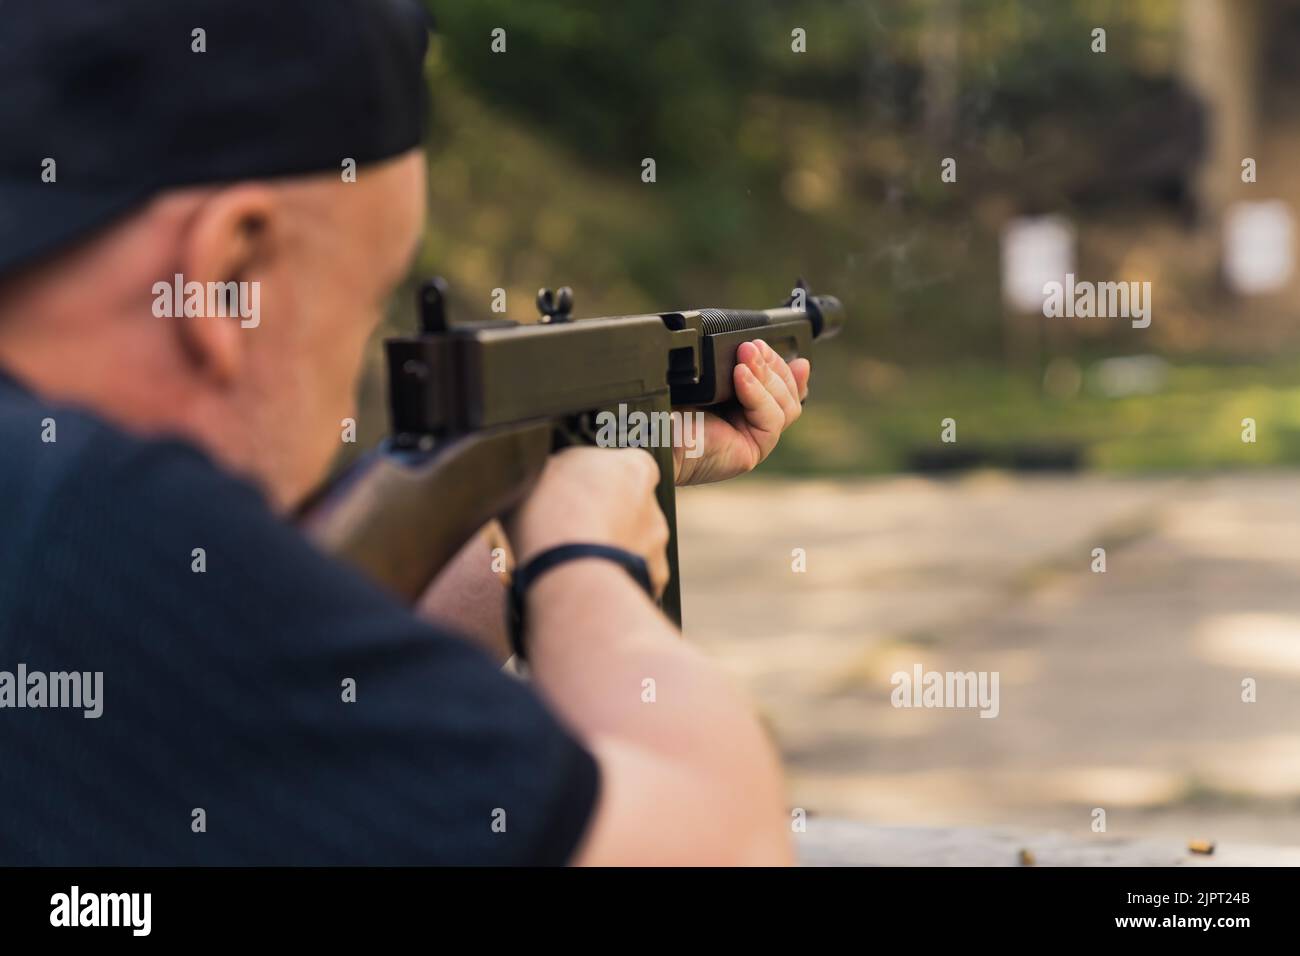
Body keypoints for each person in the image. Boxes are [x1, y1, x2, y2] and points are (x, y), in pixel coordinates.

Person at [0, 0, 811, 865]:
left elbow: (293, 684)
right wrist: (586, 569)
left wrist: (584, 486)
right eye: (363, 311)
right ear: (225, 275)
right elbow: (721, 844)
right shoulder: (96, 528)